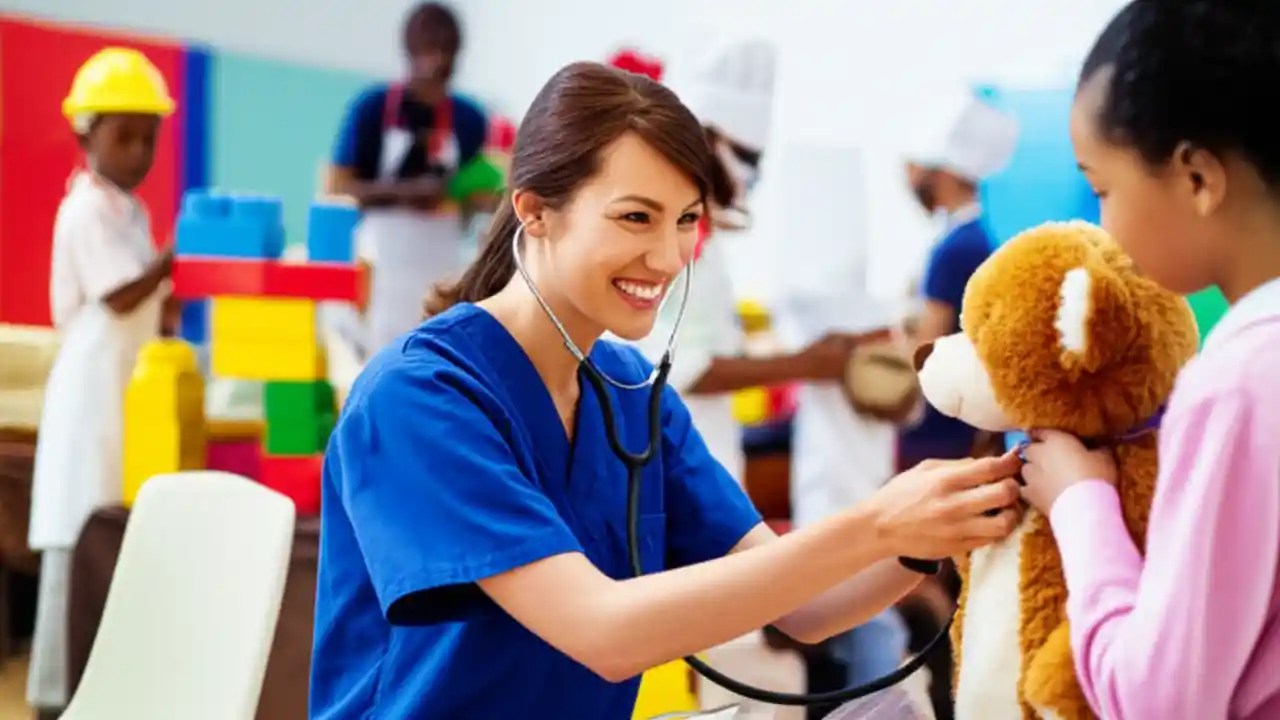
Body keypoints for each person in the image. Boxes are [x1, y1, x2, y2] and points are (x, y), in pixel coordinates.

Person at [309, 61, 1024, 719]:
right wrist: (875, 524)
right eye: (635, 216)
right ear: (535, 212)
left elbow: (803, 609)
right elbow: (603, 630)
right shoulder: (419, 400)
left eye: (687, 219)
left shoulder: (632, 397)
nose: (668, 255)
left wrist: (939, 527)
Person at [1020, 2, 1280, 718]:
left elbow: (1160, 700)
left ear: (1196, 175)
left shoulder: (1240, 383)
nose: (1105, 223)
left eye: (1103, 188)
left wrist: (1080, 502)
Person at [633, 38, 856, 487]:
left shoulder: (703, 230)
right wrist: (803, 365)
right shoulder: (672, 234)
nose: (752, 174)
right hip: (668, 451)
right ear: (706, 142)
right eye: (747, 157)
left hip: (702, 444)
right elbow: (681, 367)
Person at [27, 46, 176, 716]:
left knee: (109, 536)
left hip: (124, 391)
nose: (139, 152)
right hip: (90, 392)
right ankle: (53, 698)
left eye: (149, 138)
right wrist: (181, 258)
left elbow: (149, 304)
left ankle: (100, 691)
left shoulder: (131, 213)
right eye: (125, 136)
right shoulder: (85, 209)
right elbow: (119, 296)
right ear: (85, 132)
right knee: (74, 536)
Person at [325, 1, 488, 355]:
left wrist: (478, 197)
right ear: (408, 49)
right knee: (381, 353)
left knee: (438, 348)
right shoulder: (372, 108)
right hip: (382, 260)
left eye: (447, 51)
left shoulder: (470, 118)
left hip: (441, 255)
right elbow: (336, 187)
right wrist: (405, 193)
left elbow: (477, 191)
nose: (439, 60)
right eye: (430, 49)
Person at [899, 93, 1019, 469]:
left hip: (942, 430)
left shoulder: (955, 247)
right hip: (965, 422)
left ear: (944, 173)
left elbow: (926, 348)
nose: (909, 178)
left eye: (916, 168)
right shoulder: (976, 237)